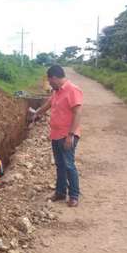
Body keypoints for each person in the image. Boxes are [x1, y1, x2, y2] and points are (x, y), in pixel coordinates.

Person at [30, 65, 83, 207]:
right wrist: (37, 113)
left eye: (50, 81)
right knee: (60, 165)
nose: (50, 84)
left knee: (69, 165)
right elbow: (48, 104)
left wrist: (70, 135)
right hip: (56, 134)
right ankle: (60, 192)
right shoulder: (57, 92)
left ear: (54, 77)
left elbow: (77, 113)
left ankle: (74, 195)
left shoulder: (72, 90)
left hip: (67, 135)